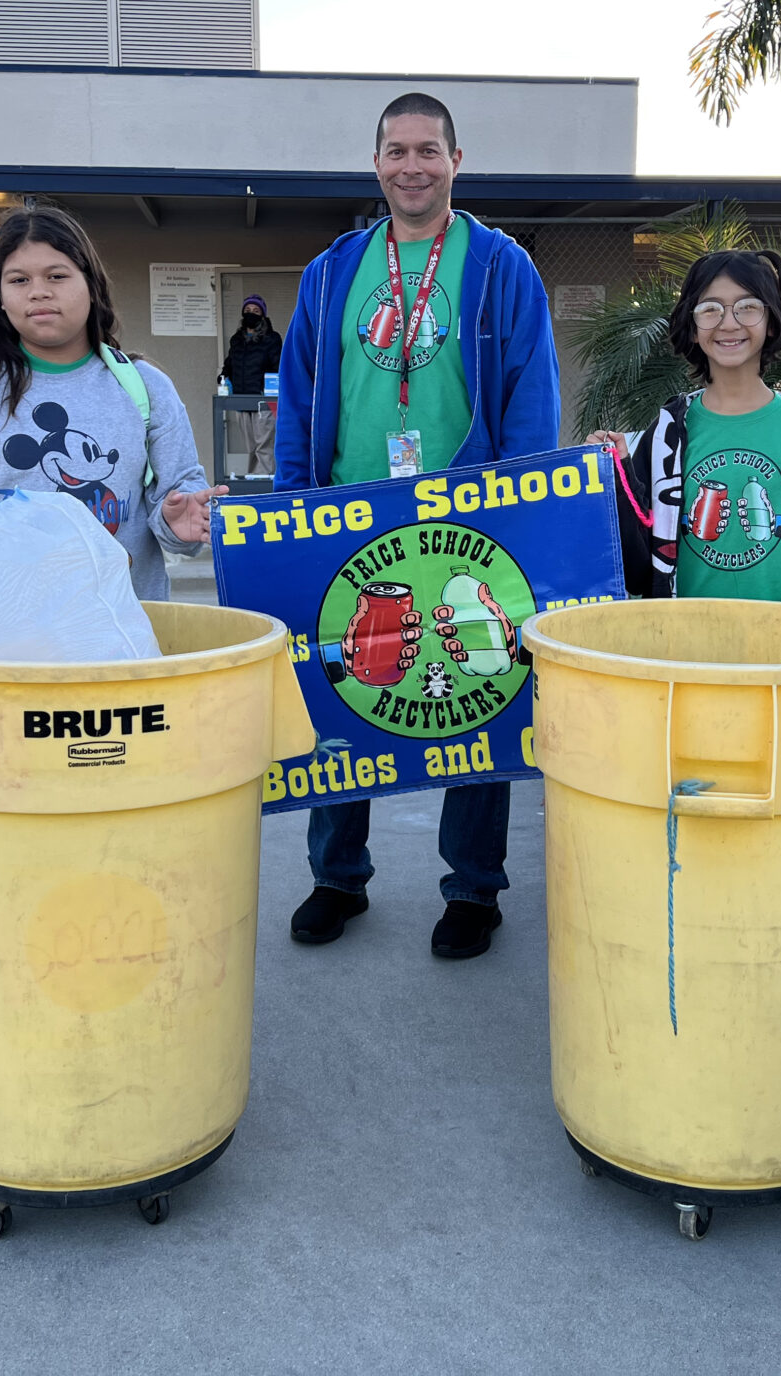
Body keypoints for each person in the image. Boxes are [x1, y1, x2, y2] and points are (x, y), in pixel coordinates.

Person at [274, 91, 560, 960]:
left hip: (466, 515)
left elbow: (530, 392)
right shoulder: (331, 272)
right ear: (375, 164)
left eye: (428, 150)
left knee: (476, 687)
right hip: (348, 517)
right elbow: (298, 395)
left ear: (456, 162)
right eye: (396, 150)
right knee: (342, 688)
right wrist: (294, 499)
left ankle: (473, 889)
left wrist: (523, 505)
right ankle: (336, 878)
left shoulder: (501, 265)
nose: (412, 165)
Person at [0, 205, 226, 598]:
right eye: (18, 279)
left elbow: (182, 506)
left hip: (122, 638)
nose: (39, 291)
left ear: (92, 285)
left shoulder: (145, 387)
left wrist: (179, 521)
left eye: (57, 276)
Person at [590, 248, 781, 610]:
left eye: (747, 306)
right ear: (692, 326)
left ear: (771, 320)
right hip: (684, 648)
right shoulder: (668, 433)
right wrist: (617, 475)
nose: (729, 323)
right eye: (711, 309)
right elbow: (640, 571)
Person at [220, 294, 281, 474]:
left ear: (263, 314)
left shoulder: (272, 339)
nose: (251, 314)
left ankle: (265, 486)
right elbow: (229, 364)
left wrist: (271, 390)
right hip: (242, 401)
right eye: (247, 310)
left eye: (255, 311)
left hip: (264, 402)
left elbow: (278, 367)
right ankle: (254, 481)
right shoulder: (236, 340)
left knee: (265, 447)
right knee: (251, 448)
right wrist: (223, 376)